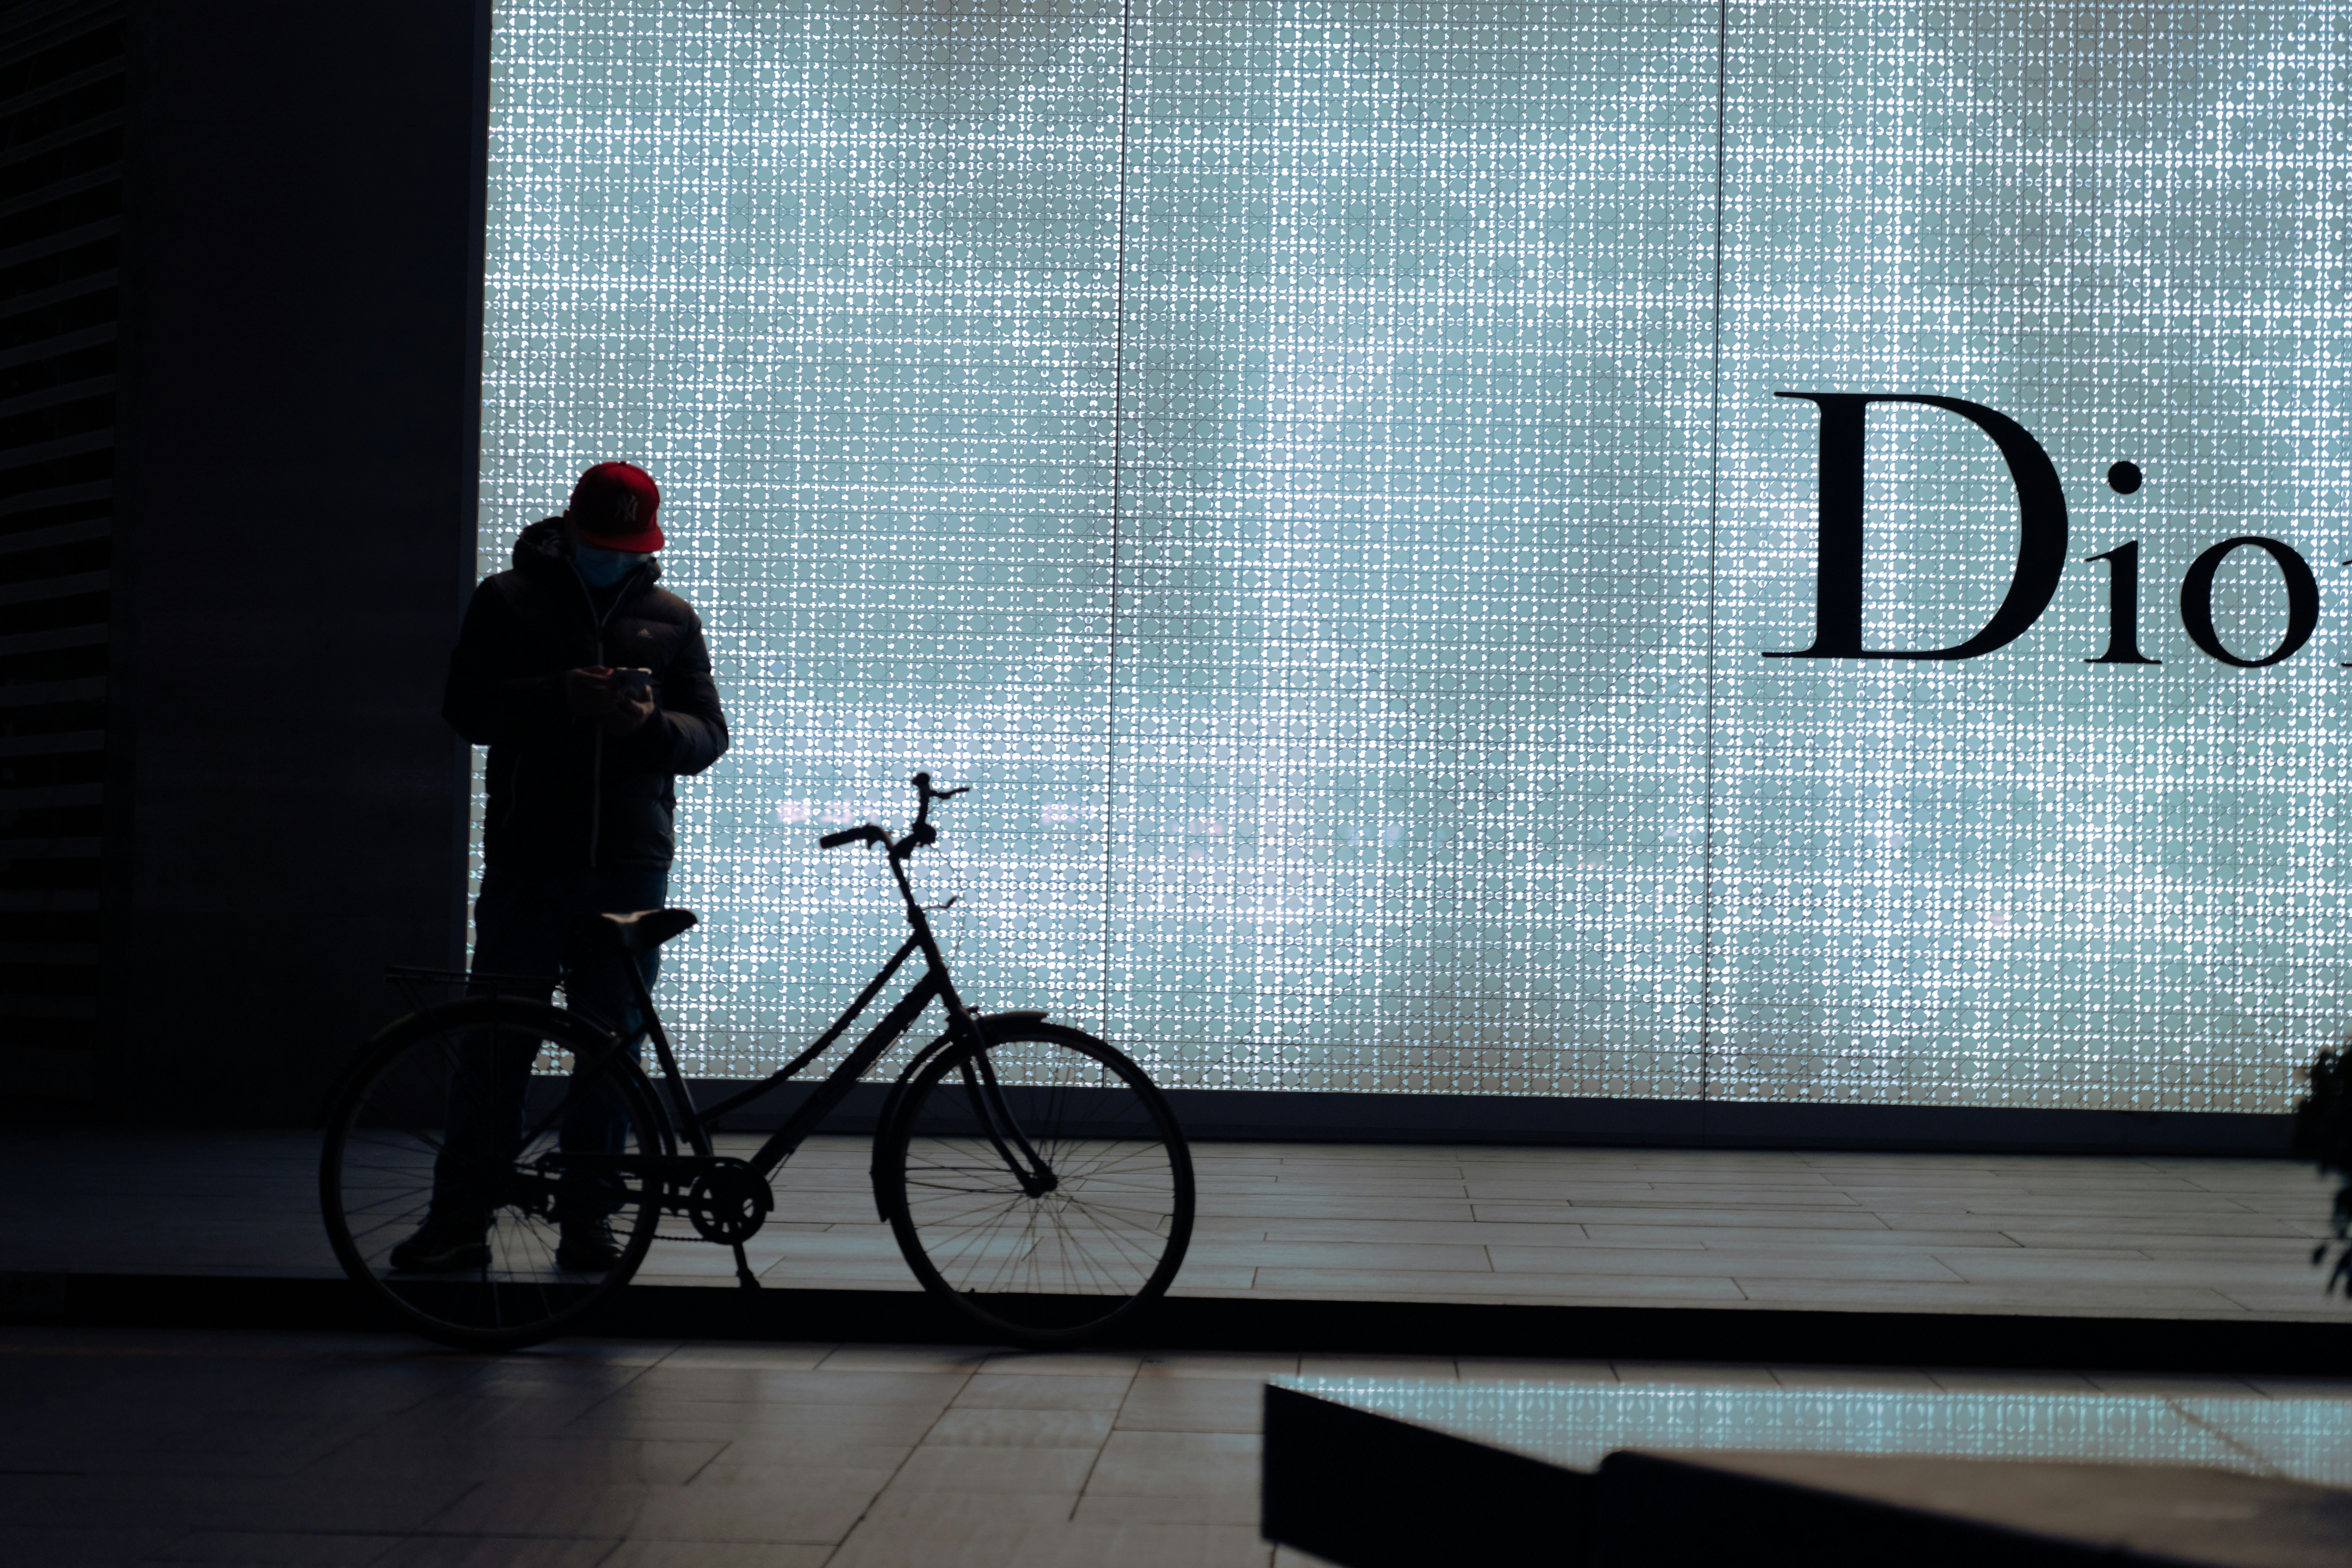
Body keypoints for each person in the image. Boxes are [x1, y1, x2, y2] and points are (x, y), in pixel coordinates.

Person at [390, 461, 730, 1273]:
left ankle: (591, 1220)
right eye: (600, 542)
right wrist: (558, 696)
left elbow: (708, 735)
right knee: (495, 1041)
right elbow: (464, 708)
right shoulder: (507, 600)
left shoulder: (671, 617)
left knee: (610, 1048)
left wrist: (648, 725)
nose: (611, 556)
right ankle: (460, 1215)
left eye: (624, 545)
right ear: (570, 528)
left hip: (628, 865)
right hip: (529, 859)